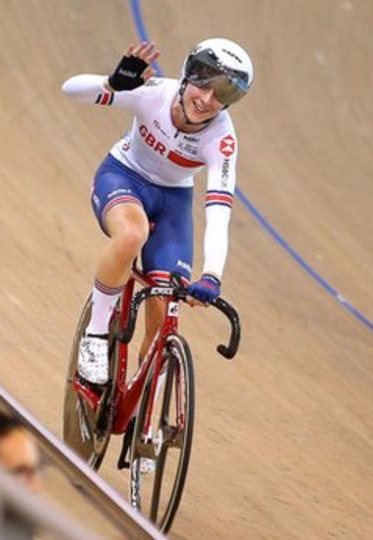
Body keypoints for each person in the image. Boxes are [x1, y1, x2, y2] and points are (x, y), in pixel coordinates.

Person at [61, 38, 253, 387]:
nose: (207, 100)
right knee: (132, 235)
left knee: (164, 315)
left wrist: (211, 275)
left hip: (172, 202)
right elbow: (70, 89)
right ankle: (96, 335)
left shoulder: (222, 140)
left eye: (222, 94)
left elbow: (219, 211)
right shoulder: (153, 94)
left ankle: (145, 403)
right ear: (188, 75)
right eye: (203, 85)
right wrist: (111, 84)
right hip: (123, 176)